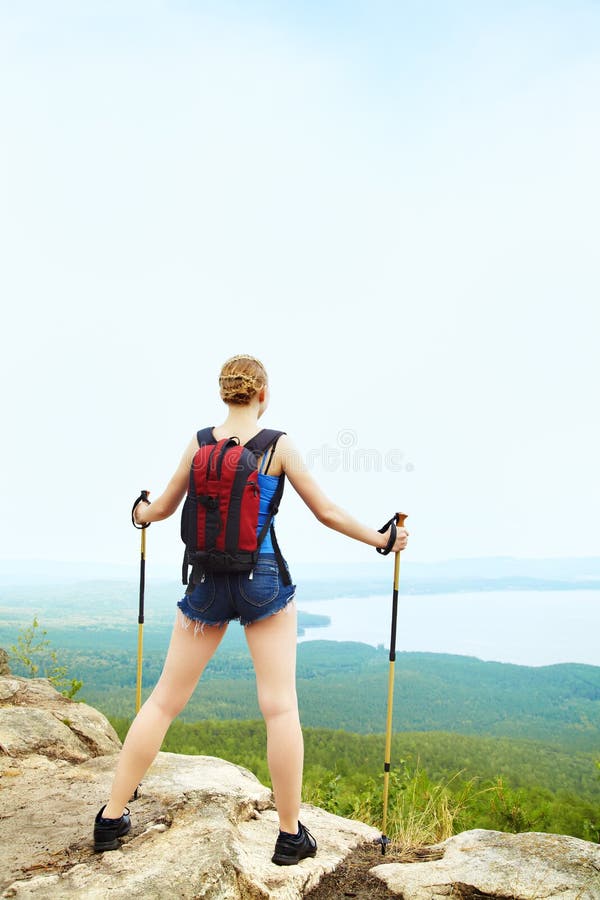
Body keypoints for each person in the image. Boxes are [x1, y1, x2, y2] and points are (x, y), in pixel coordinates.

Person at [93, 354, 409, 864]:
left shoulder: (198, 444)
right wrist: (383, 538)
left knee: (163, 702)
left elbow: (163, 508)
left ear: (224, 394)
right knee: (279, 706)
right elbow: (326, 513)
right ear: (263, 395)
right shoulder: (278, 446)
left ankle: (109, 818)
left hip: (206, 585)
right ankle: (289, 836)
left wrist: (138, 512)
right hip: (262, 583)